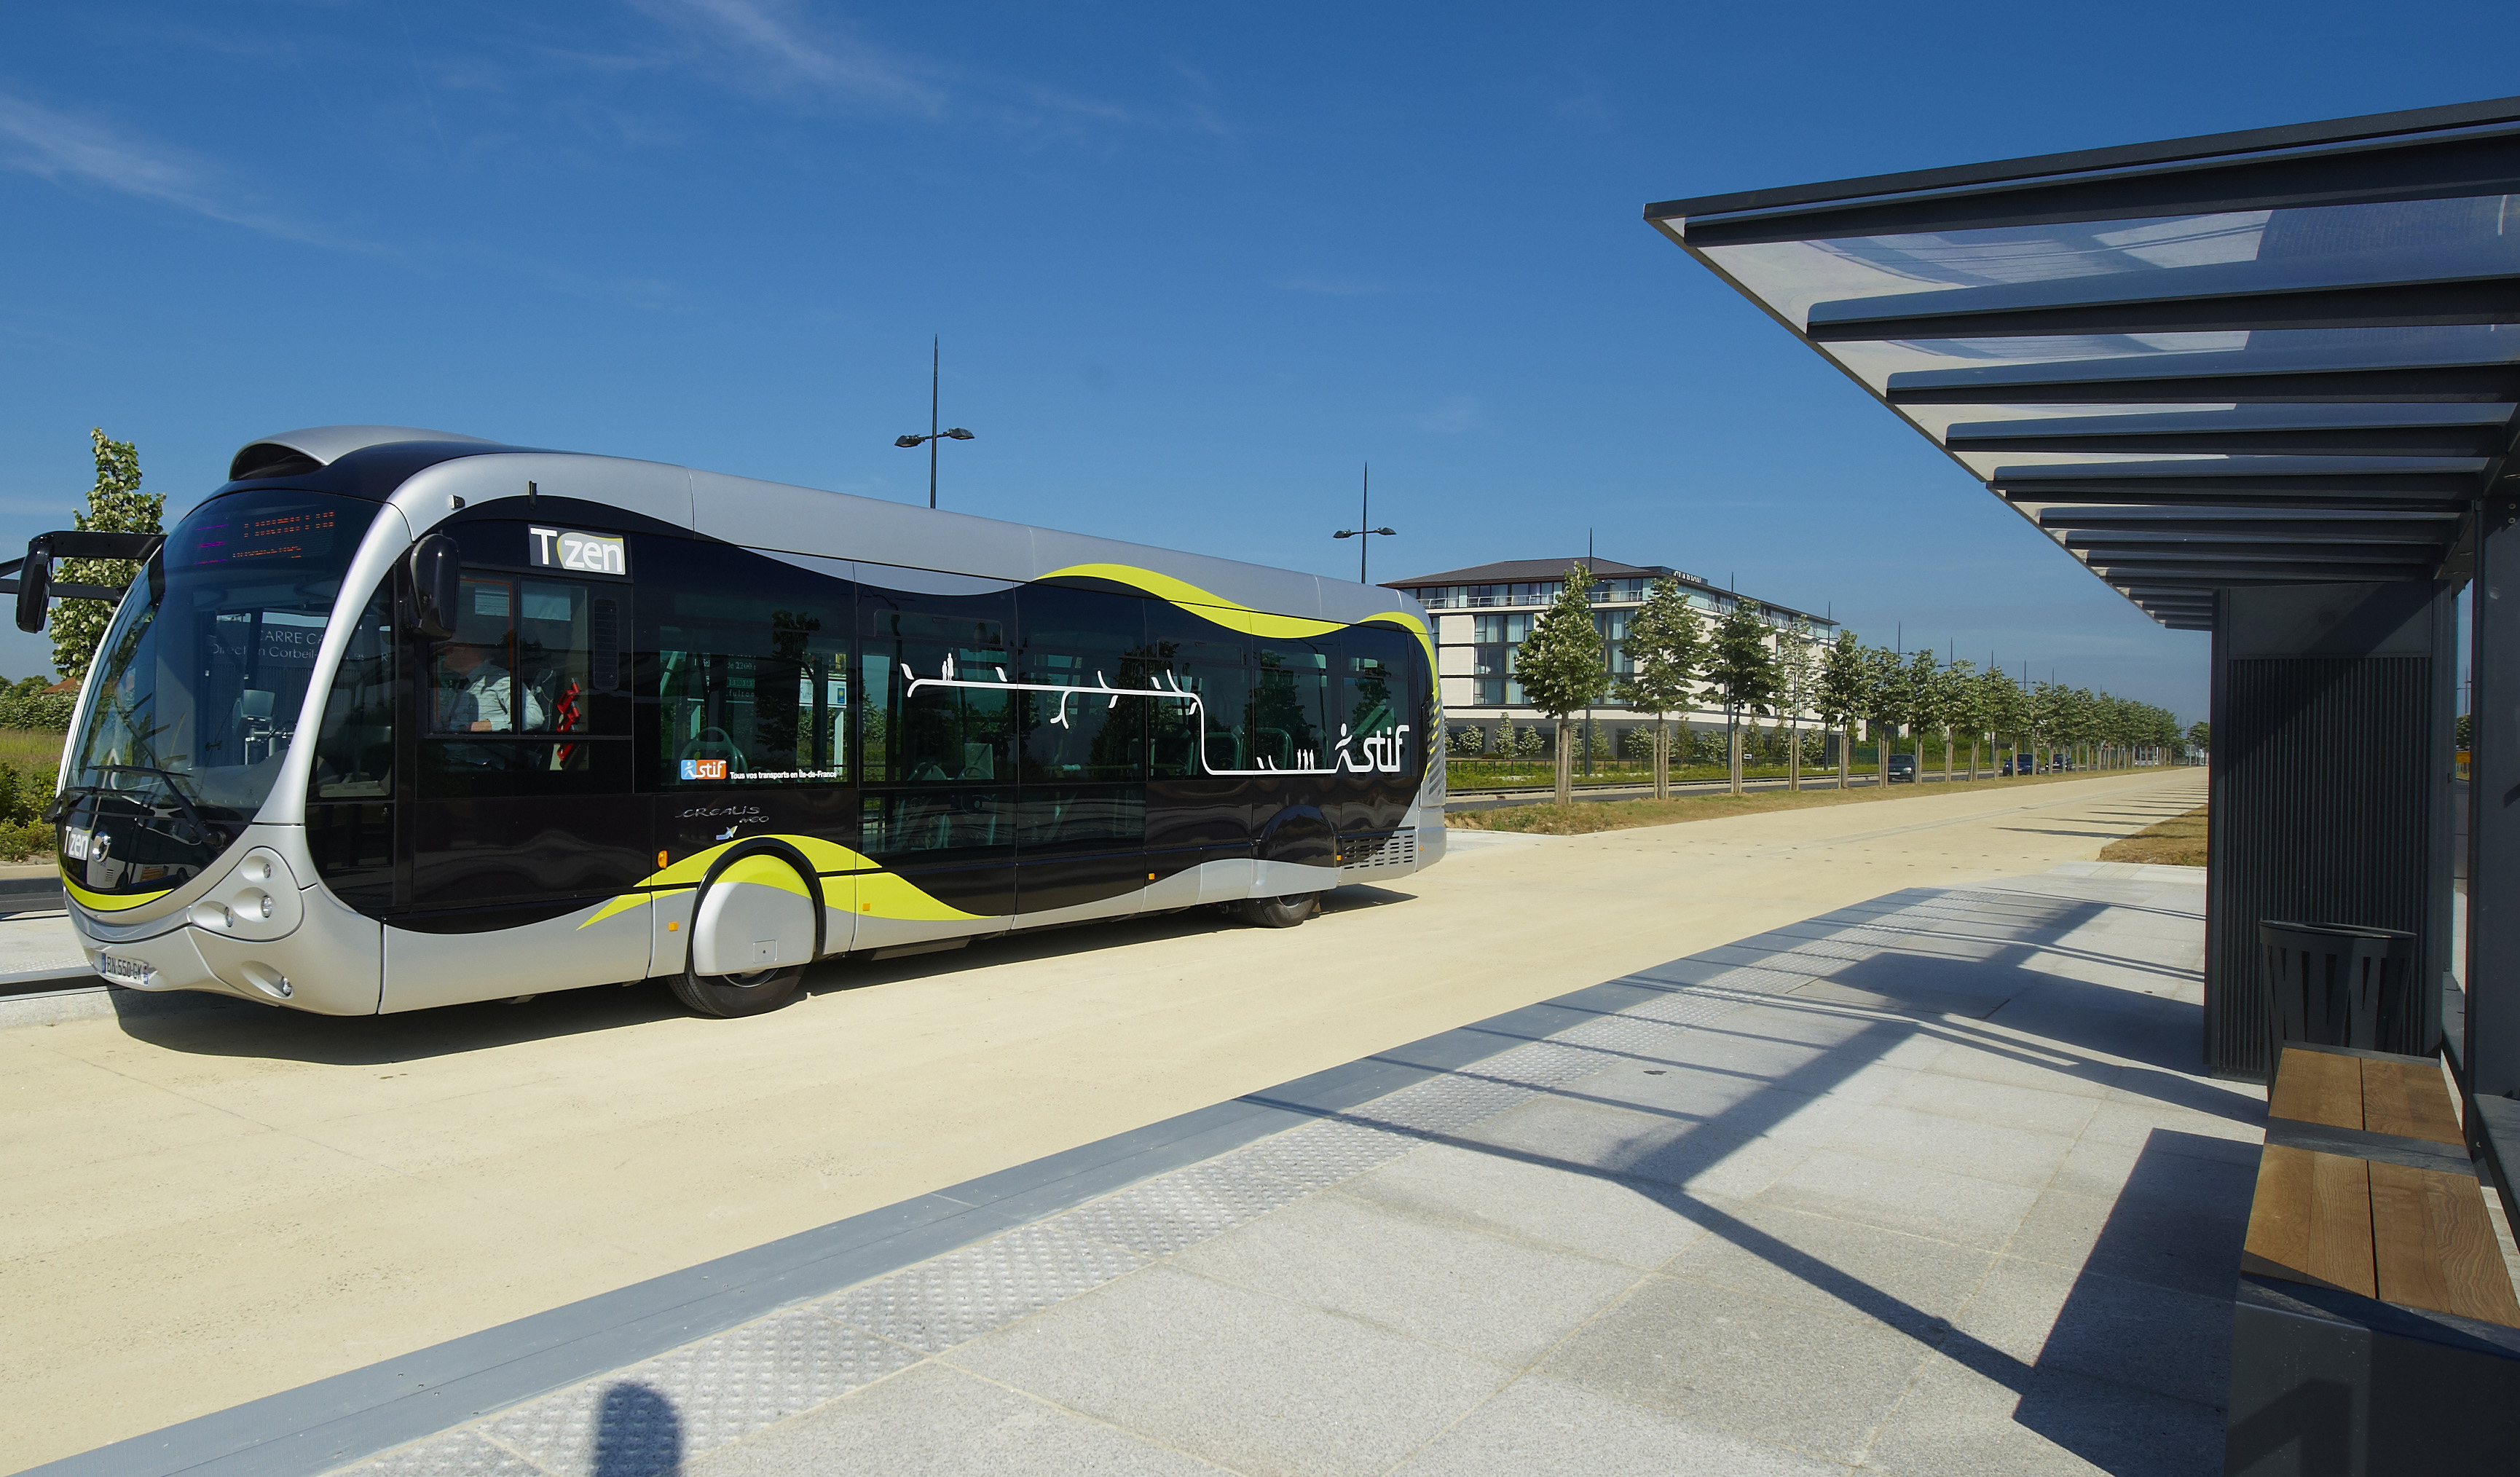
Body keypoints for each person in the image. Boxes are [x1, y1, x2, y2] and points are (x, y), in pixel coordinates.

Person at [436, 641, 545, 733]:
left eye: (450, 649)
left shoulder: (499, 679)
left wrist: (479, 726)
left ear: (465, 648)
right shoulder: (462, 683)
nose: (445, 652)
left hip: (481, 755)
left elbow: (533, 717)